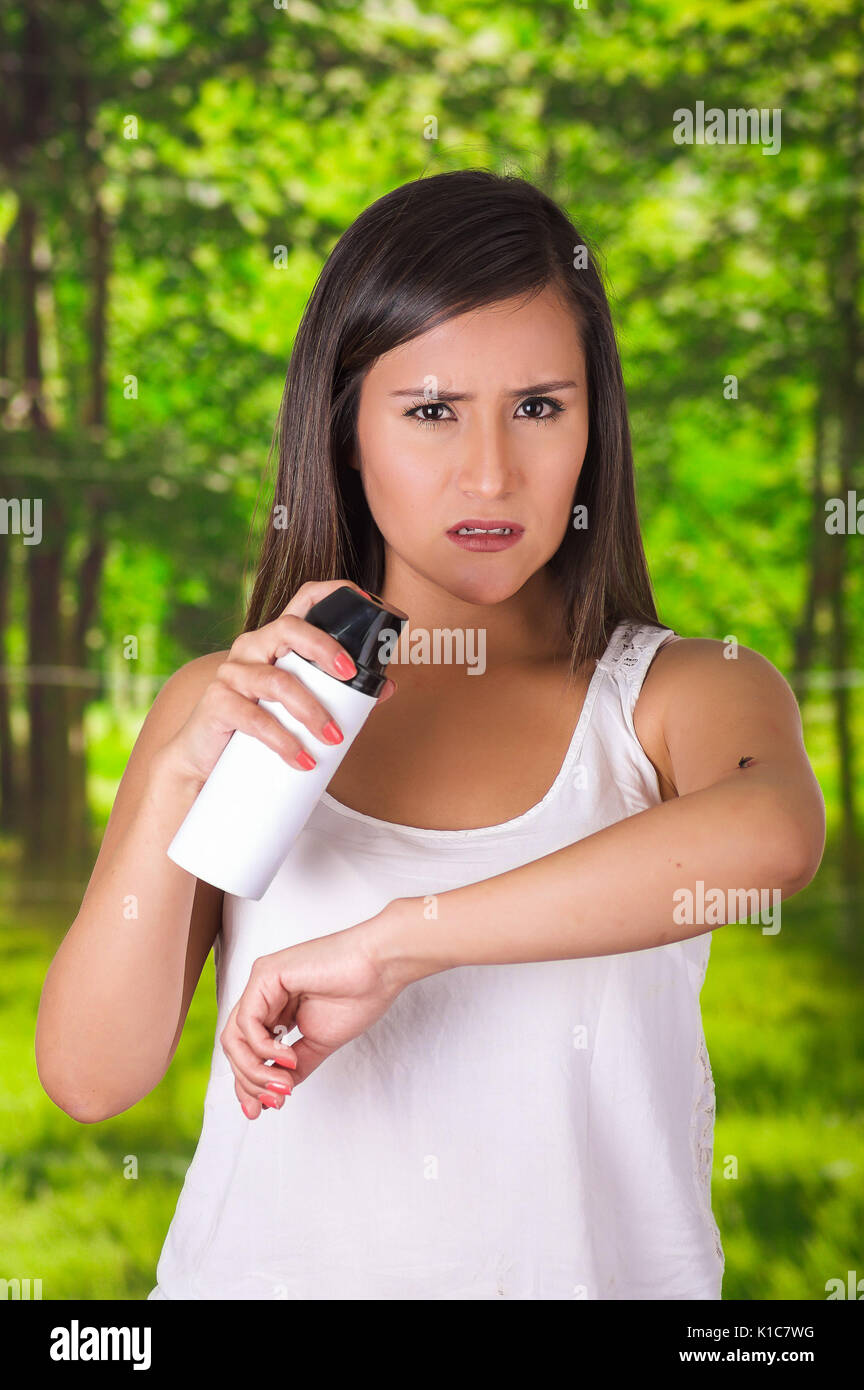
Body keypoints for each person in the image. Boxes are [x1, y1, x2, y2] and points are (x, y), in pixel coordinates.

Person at [35, 169, 825, 1301]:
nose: (492, 472)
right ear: (347, 430)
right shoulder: (241, 710)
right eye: (432, 410)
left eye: (540, 407)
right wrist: (171, 773)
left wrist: (403, 940)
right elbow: (92, 1076)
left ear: (596, 426)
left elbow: (771, 839)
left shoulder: (679, 695)